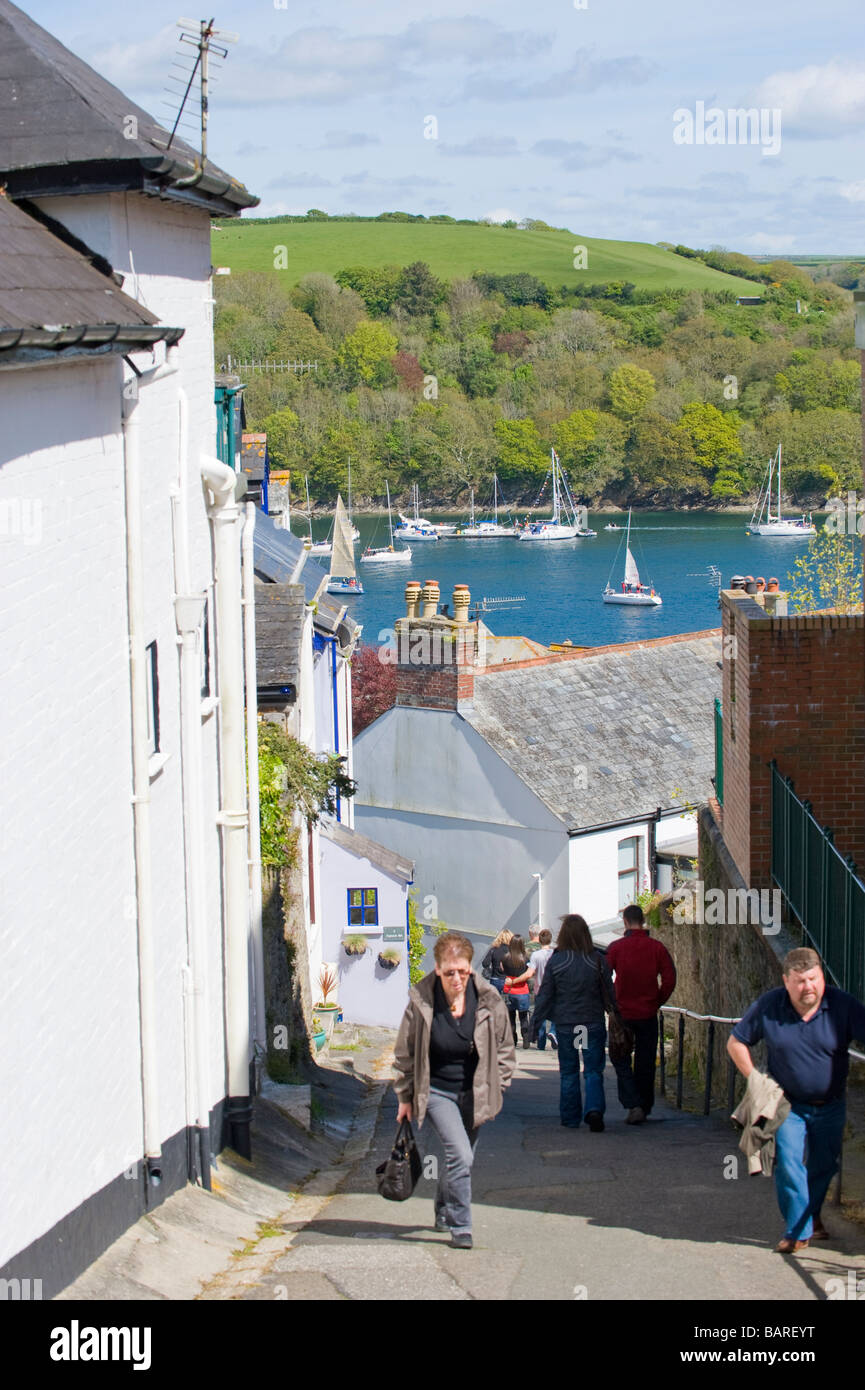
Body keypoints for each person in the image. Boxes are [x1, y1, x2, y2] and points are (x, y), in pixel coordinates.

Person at [727, 946, 865, 1254]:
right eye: (800, 981)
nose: (809, 987)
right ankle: (797, 1230)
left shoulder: (842, 1006)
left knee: (824, 1166)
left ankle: (811, 1215)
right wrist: (754, 1078)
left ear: (822, 977)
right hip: (787, 1105)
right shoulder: (769, 1006)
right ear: (786, 980)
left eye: (814, 979)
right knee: (789, 1164)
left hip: (830, 1105)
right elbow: (736, 1042)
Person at [394, 930, 515, 1249]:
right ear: (437, 969)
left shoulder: (488, 998)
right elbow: (405, 1052)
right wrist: (405, 1096)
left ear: (470, 968)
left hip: (475, 1093)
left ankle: (444, 1208)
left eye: (463, 971)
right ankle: (461, 1226)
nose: (457, 979)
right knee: (460, 1152)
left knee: (462, 1157)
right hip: (437, 1091)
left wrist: (499, 1087)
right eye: (450, 973)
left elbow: (504, 1047)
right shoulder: (421, 1000)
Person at [531, 914, 613, 1130]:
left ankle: (570, 1116)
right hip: (591, 1021)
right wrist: (617, 1015)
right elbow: (610, 993)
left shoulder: (557, 961)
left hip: (567, 1023)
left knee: (569, 1071)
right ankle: (594, 1109)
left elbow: (545, 995)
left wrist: (536, 1023)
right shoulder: (597, 960)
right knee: (593, 1070)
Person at [606, 903, 677, 1124]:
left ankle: (633, 1102)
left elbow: (603, 976)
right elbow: (669, 978)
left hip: (623, 1012)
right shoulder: (656, 948)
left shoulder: (616, 948)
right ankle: (644, 1106)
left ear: (625, 922)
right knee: (646, 1060)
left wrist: (611, 1002)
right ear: (643, 921)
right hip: (647, 1012)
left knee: (620, 1057)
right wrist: (657, 1000)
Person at [501, 934, 535, 1049]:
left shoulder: (505, 957)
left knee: (510, 1017)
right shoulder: (525, 958)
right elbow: (529, 973)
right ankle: (526, 1040)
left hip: (508, 990)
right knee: (523, 1016)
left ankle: (513, 1040)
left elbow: (502, 969)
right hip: (522, 990)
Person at [530, 928, 557, 1051]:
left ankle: (541, 1044)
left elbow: (531, 972)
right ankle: (553, 1032)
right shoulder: (555, 954)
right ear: (550, 940)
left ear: (539, 940)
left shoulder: (535, 955)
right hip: (554, 989)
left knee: (541, 1017)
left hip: (539, 989)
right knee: (556, 1014)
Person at [481, 928, 513, 994]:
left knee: (495, 1002)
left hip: (495, 979)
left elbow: (485, 964)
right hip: (509, 980)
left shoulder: (493, 949)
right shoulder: (513, 951)